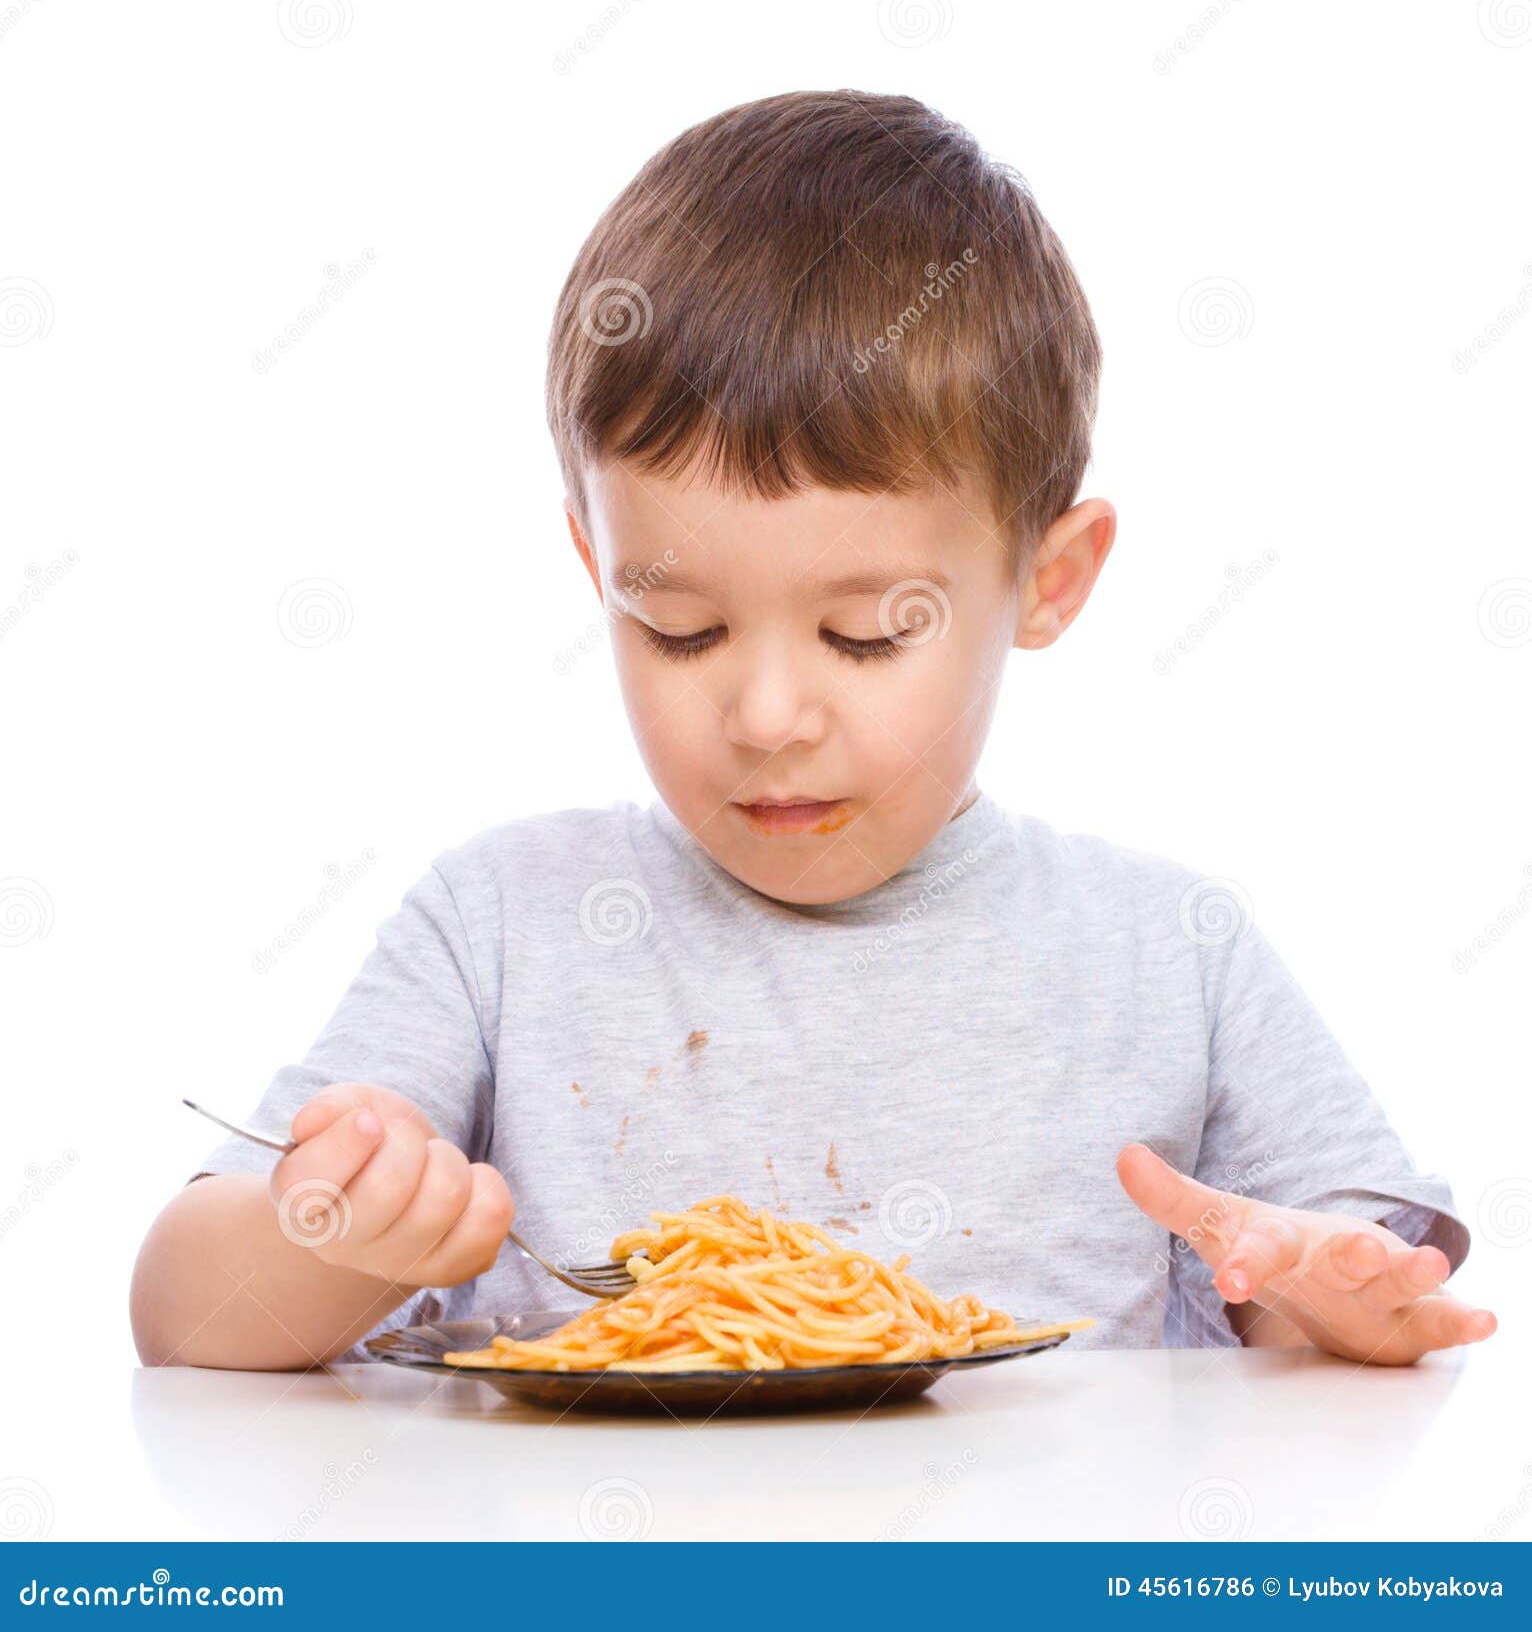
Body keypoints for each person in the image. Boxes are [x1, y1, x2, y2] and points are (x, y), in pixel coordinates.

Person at [131, 91, 1495, 1372]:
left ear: (1049, 579)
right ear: (594, 566)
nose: (770, 716)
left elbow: (1382, 1288)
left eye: (867, 634)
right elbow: (184, 1313)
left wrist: (1312, 1297)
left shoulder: (1171, 955)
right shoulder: (501, 925)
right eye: (680, 629)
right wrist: (338, 1233)